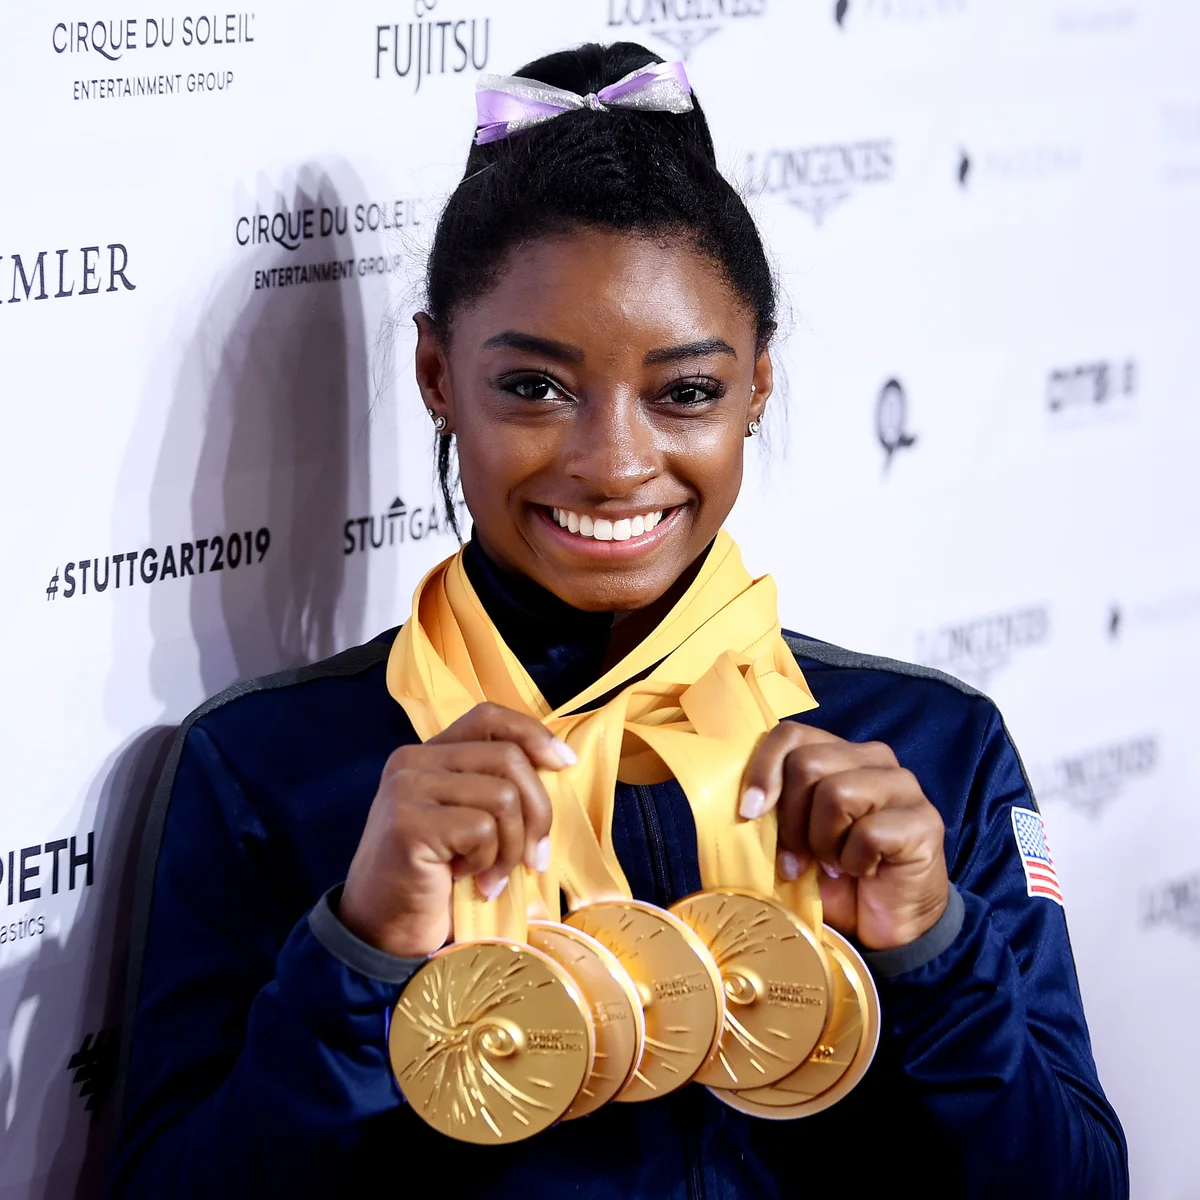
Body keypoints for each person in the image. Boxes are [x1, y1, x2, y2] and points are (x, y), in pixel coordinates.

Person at [109, 42, 1127, 1199]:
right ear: (438, 377)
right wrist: (358, 949)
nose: (612, 463)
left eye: (685, 391)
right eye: (535, 387)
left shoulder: (925, 748)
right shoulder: (269, 768)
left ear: (757, 388)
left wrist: (933, 950)